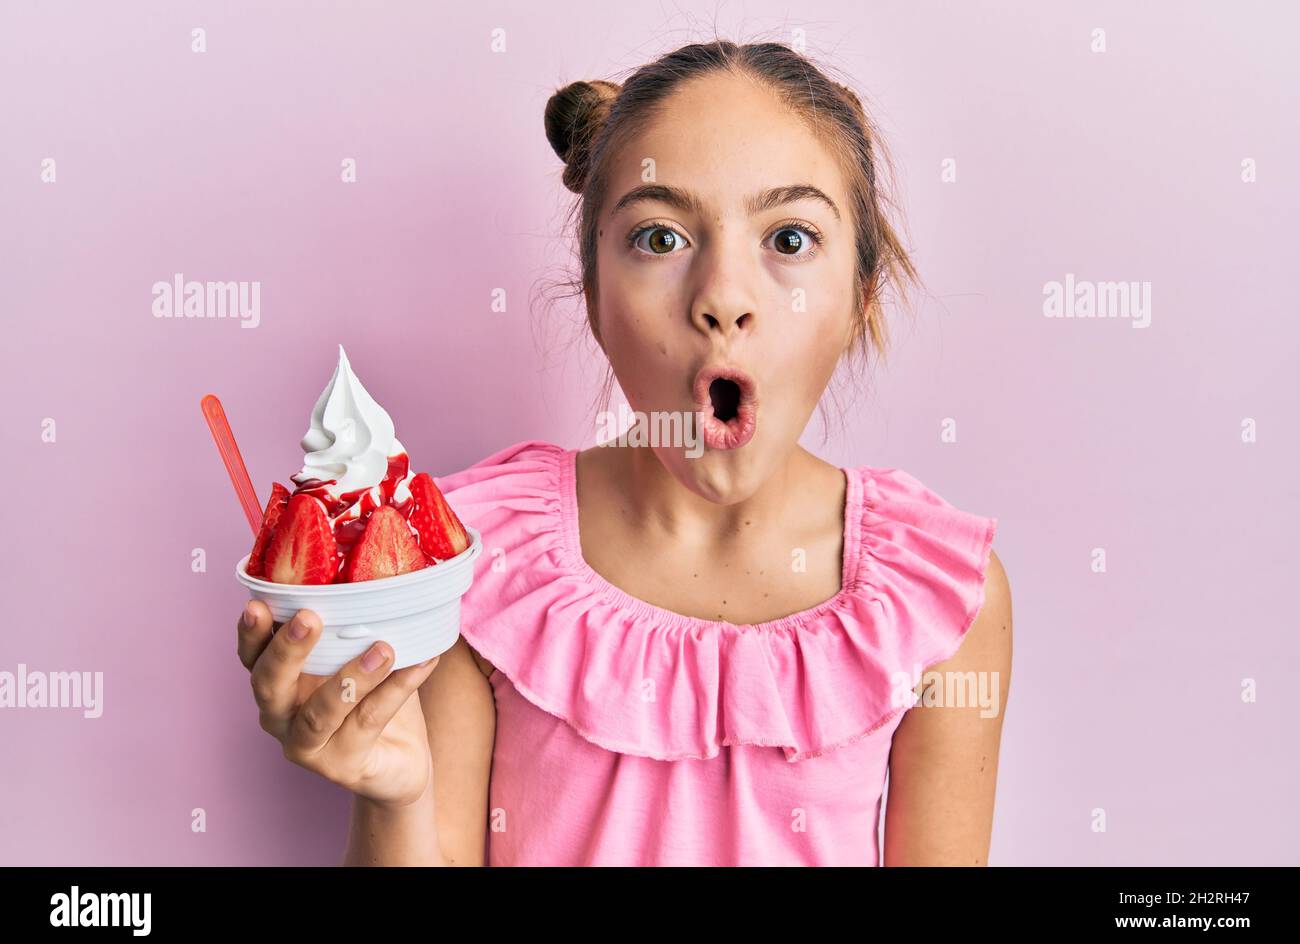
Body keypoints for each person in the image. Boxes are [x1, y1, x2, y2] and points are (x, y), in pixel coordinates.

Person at [237, 38, 1013, 866]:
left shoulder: (934, 598)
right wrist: (395, 794)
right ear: (596, 298)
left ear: (860, 297)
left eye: (789, 239)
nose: (722, 299)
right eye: (659, 238)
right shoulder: (474, 563)